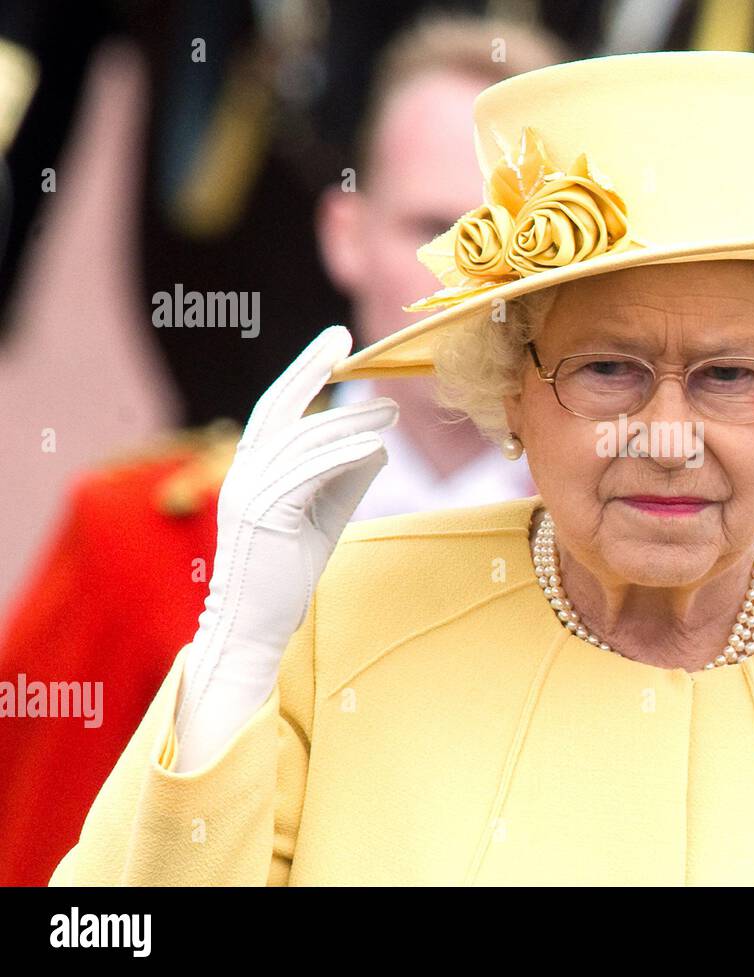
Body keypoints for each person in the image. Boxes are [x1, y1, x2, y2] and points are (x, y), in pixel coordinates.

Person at [48, 51, 754, 885]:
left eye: (729, 375)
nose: (669, 437)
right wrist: (234, 654)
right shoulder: (332, 627)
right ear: (510, 390)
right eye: (608, 370)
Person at [0, 14, 558, 887]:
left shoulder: (648, 561)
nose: (470, 274)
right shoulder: (133, 544)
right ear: (346, 233)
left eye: (516, 237)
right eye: (435, 225)